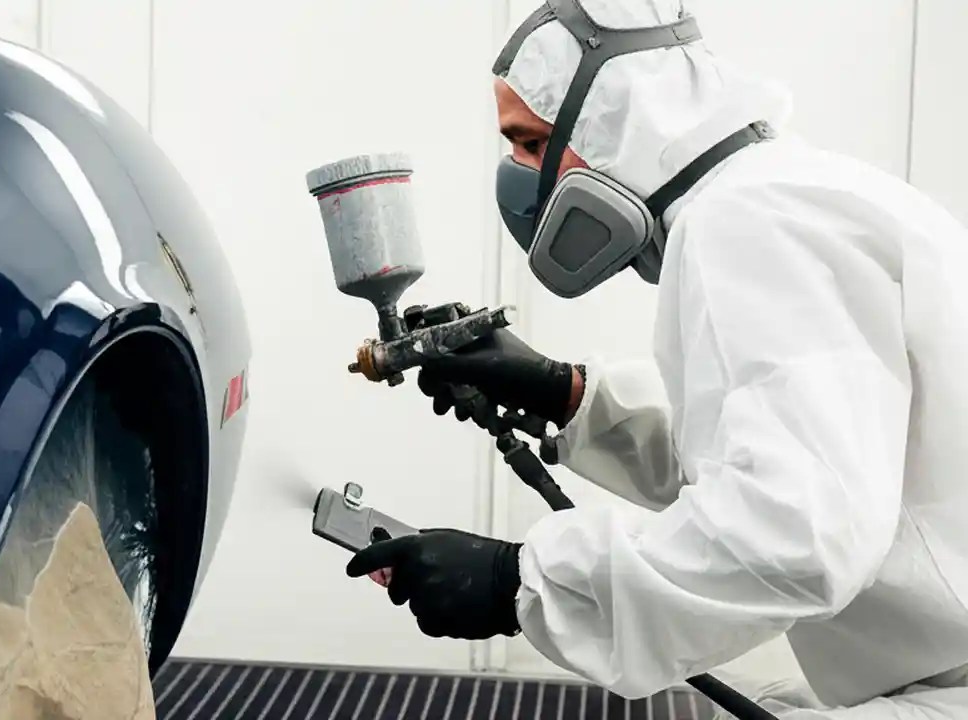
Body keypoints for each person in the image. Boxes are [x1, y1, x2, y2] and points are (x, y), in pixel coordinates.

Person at [344, 1, 968, 718]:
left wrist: (516, 581)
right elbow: (770, 449)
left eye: (529, 143)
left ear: (611, 125)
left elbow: (795, 533)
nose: (518, 179)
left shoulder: (750, 221)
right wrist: (563, 392)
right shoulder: (781, 194)